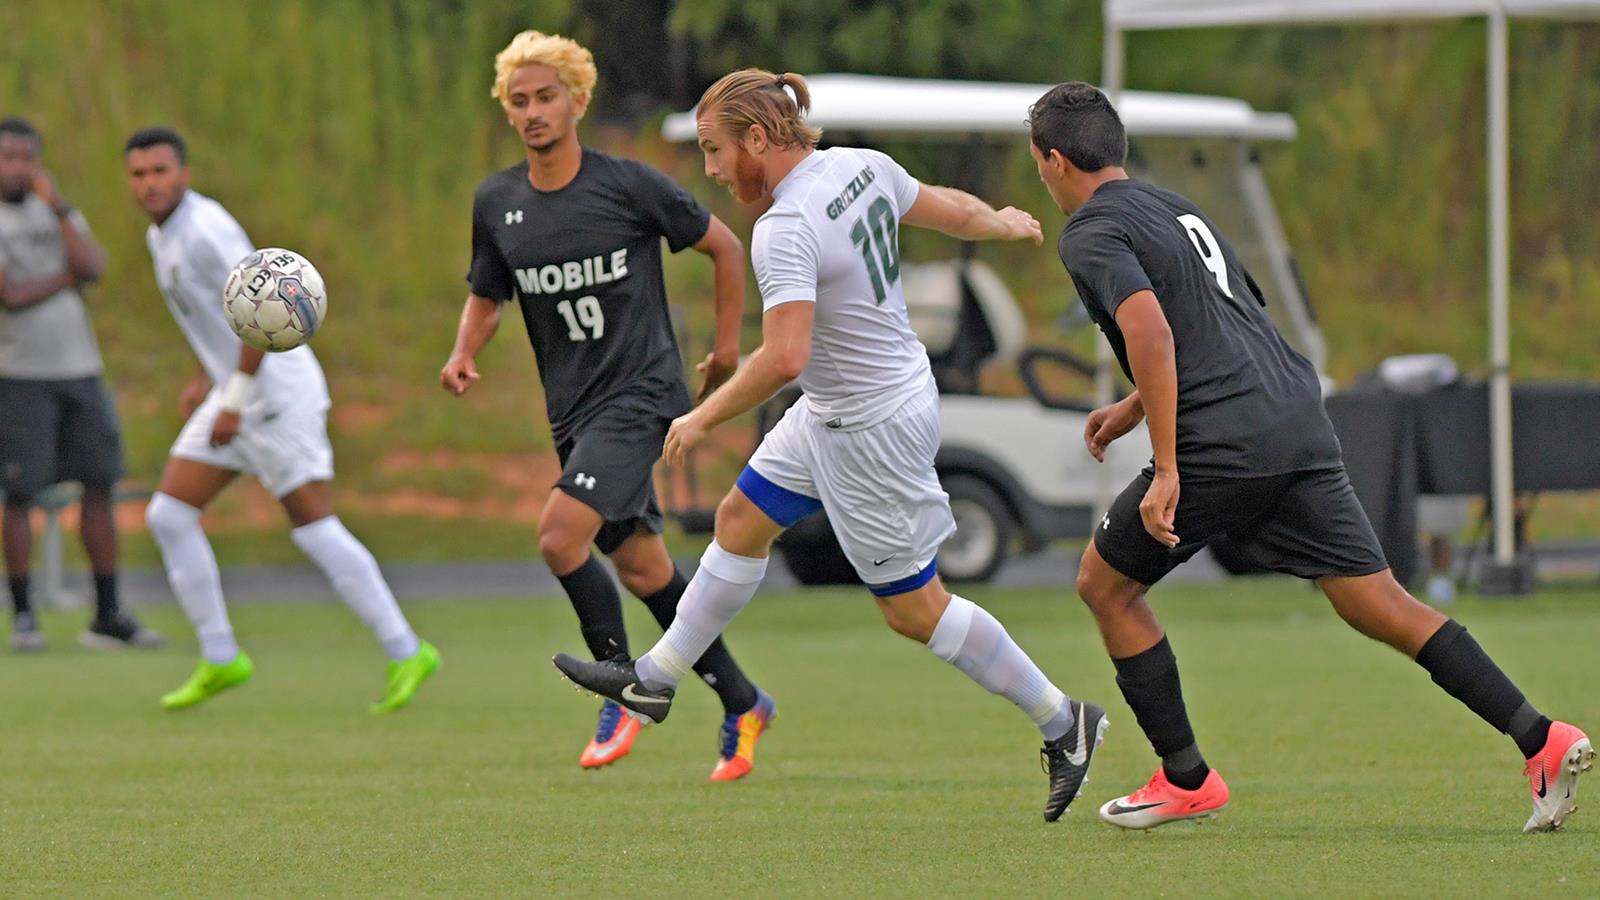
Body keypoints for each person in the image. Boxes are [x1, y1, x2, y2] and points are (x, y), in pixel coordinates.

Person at [1027, 82, 1592, 832]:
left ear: (1057, 160)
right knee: (1378, 604)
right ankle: (1541, 738)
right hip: (1294, 415)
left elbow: (1155, 335)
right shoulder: (1176, 207)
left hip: (1224, 440)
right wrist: (1133, 405)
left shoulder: (1089, 231)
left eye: (1037, 162)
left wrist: (1166, 467)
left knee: (1106, 586)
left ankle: (1186, 777)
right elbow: (1222, 324)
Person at [553, 69, 1108, 821]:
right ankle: (657, 676)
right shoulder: (859, 166)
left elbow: (784, 354)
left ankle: (1062, 721)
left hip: (869, 427)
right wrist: (1003, 220)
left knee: (916, 612)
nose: (712, 172)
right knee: (740, 523)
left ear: (757, 138)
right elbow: (949, 210)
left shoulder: (783, 228)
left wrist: (702, 417)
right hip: (845, 404)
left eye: (716, 152)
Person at [440, 31, 772, 780]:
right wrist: (465, 351)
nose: (532, 111)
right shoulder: (498, 203)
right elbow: (488, 293)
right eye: (518, 101)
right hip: (574, 411)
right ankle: (742, 699)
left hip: (643, 395)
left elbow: (722, 246)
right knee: (646, 570)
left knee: (560, 538)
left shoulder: (629, 186)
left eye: (546, 96)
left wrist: (726, 351)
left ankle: (622, 683)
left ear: (577, 101)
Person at [124, 126, 439, 713]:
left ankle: (408, 649)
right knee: (168, 514)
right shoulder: (158, 234)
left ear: (185, 173)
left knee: (314, 526)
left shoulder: (208, 231)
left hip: (278, 396)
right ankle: (221, 658)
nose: (150, 184)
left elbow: (265, 312)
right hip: (234, 394)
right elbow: (212, 314)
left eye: (160, 171)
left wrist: (235, 397)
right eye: (139, 175)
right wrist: (204, 377)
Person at [0, 116, 161, 651]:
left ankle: (108, 613)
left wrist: (62, 208)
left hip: (80, 369)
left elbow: (92, 265)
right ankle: (24, 616)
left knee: (100, 484)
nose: (19, 167)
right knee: (20, 492)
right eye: (8, 157)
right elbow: (10, 295)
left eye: (27, 157)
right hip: (20, 374)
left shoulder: (58, 212)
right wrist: (64, 279)